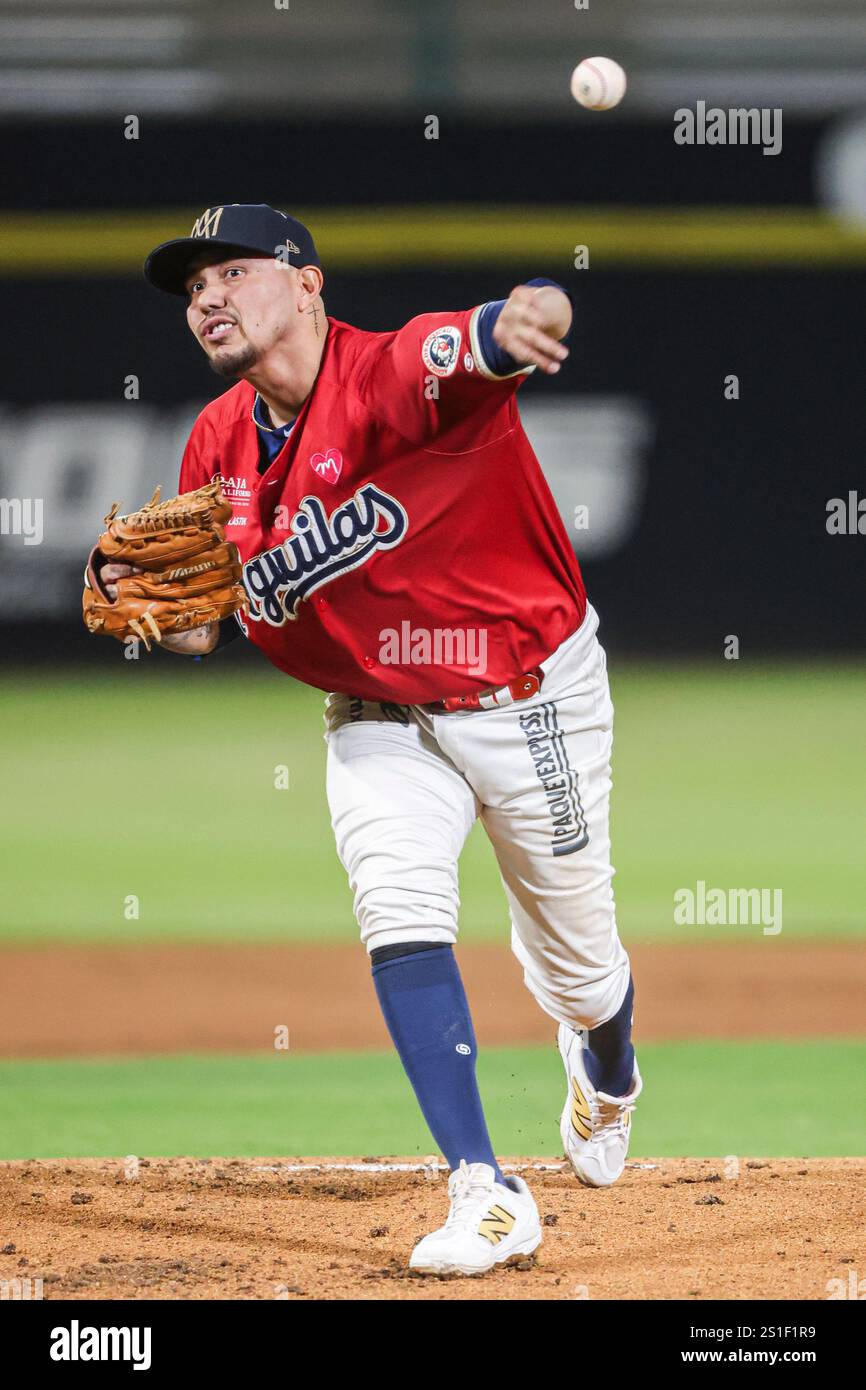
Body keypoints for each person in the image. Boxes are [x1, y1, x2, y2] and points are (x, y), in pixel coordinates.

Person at [108, 203, 642, 1276]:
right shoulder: (216, 440)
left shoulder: (396, 375)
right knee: (396, 904)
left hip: (527, 693)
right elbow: (206, 623)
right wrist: (162, 615)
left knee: (581, 967)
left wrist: (532, 314)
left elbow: (483, 336)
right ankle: (483, 1188)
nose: (206, 298)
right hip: (374, 716)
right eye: (191, 288)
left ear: (307, 281)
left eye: (231, 273)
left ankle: (607, 1063)